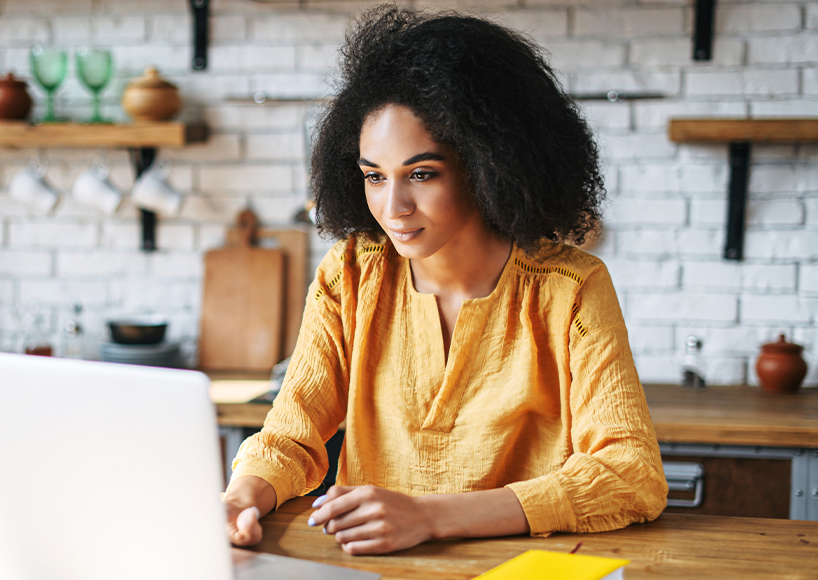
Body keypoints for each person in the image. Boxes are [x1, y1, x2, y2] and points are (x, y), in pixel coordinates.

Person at [222, 6, 667, 556]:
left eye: (422, 174)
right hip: (372, 568)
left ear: (488, 166)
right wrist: (242, 496)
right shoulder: (352, 272)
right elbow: (292, 435)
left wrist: (430, 517)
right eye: (374, 177)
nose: (393, 207)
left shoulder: (570, 287)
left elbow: (631, 475)